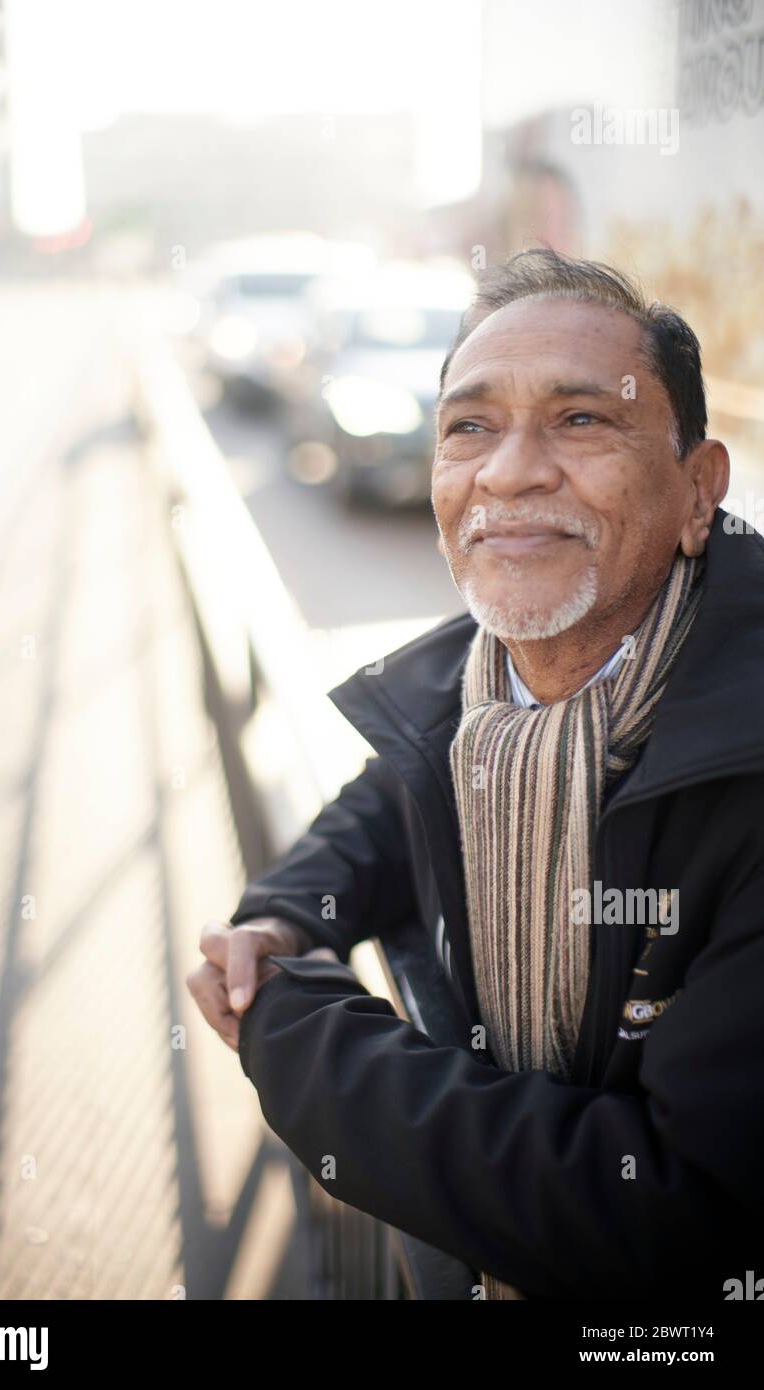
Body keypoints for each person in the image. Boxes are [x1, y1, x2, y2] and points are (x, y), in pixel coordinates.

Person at [187, 247, 764, 1300]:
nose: (509, 471)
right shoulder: (484, 690)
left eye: (581, 420)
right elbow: (398, 798)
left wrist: (289, 1028)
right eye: (469, 426)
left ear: (697, 490)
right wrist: (281, 915)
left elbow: (676, 1209)